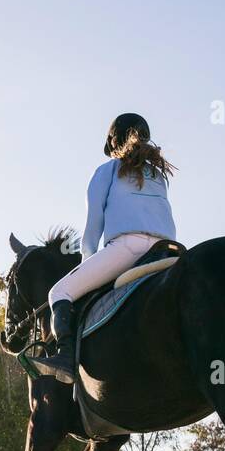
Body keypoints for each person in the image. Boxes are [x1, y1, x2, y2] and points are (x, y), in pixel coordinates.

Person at [32, 113, 177, 383]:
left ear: (113, 142)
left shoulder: (107, 170)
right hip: (169, 250)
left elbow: (92, 232)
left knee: (59, 292)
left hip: (128, 248)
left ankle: (64, 358)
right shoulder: (158, 175)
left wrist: (88, 264)